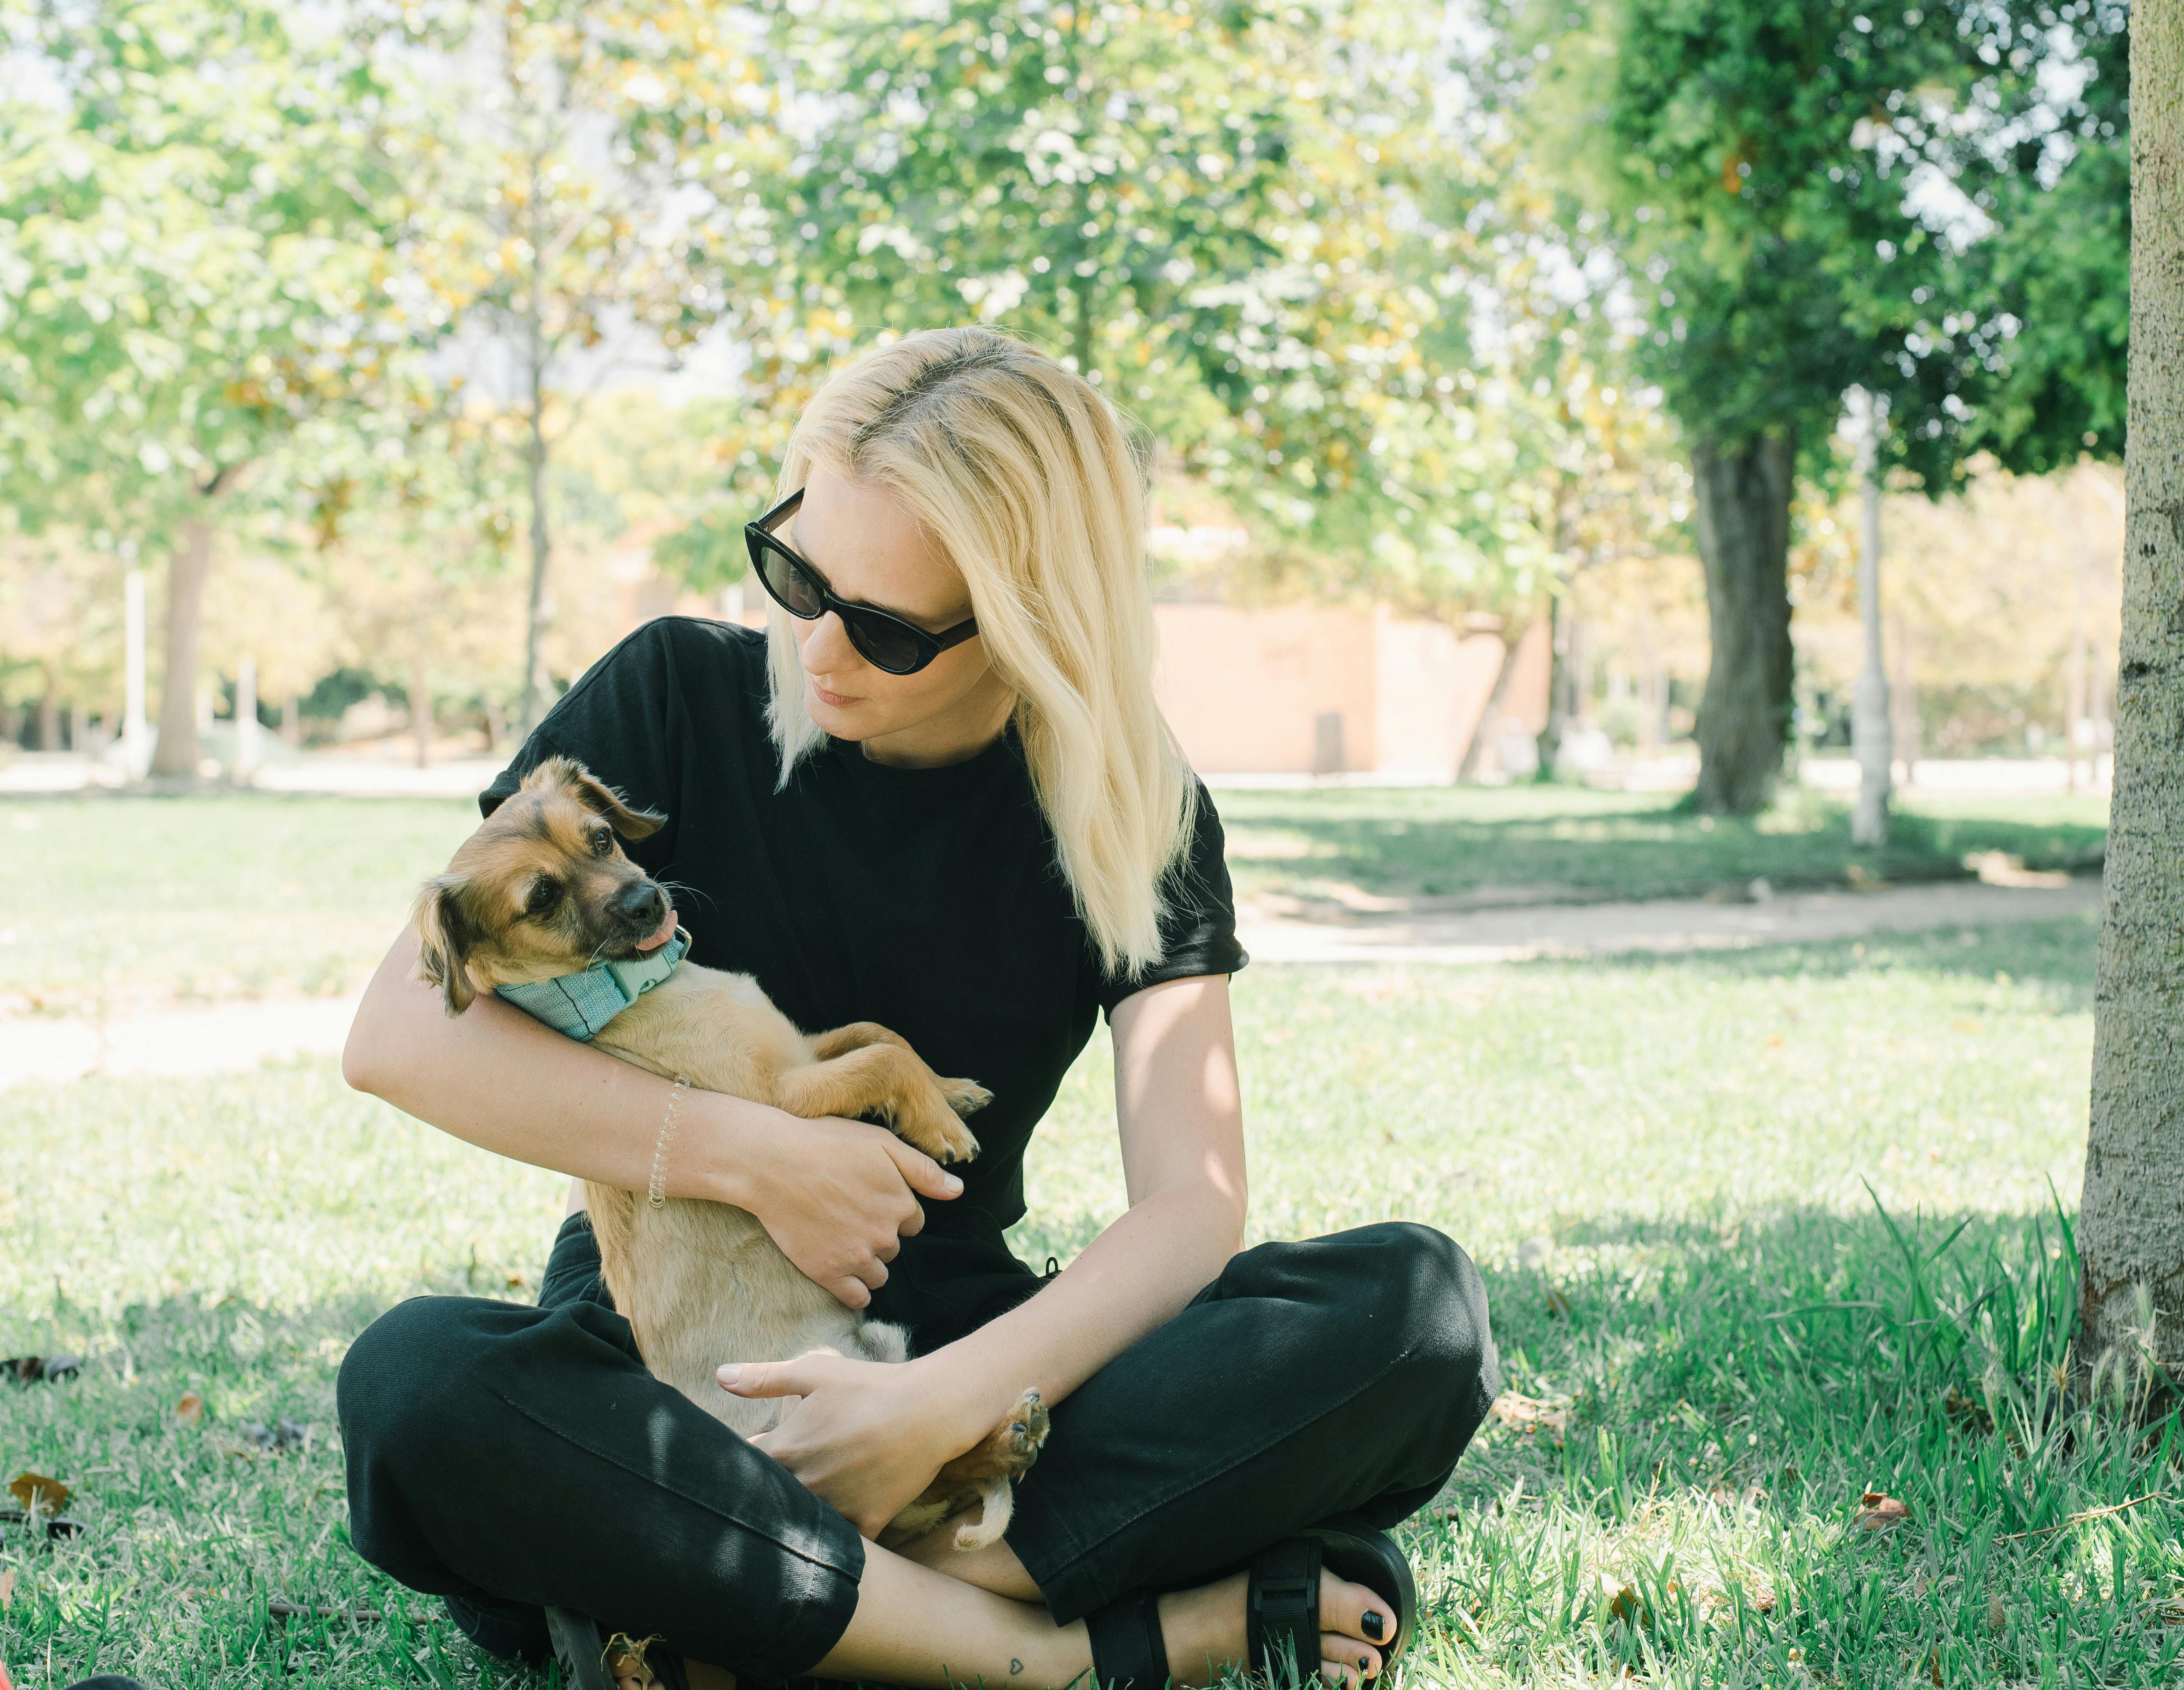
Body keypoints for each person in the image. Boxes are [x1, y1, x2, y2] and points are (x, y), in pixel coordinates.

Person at [335, 327, 1497, 1690]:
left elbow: (1192, 1202)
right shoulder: (670, 693)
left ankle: (733, 1599)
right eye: (796, 576)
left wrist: (934, 1408)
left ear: (1029, 621)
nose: (817, 649)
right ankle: (1054, 1650)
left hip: (969, 1356)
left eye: (883, 628)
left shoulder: (1131, 811)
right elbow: (399, 1034)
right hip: (679, 1359)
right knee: (420, 1389)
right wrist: (763, 1159)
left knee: (1413, 1314)